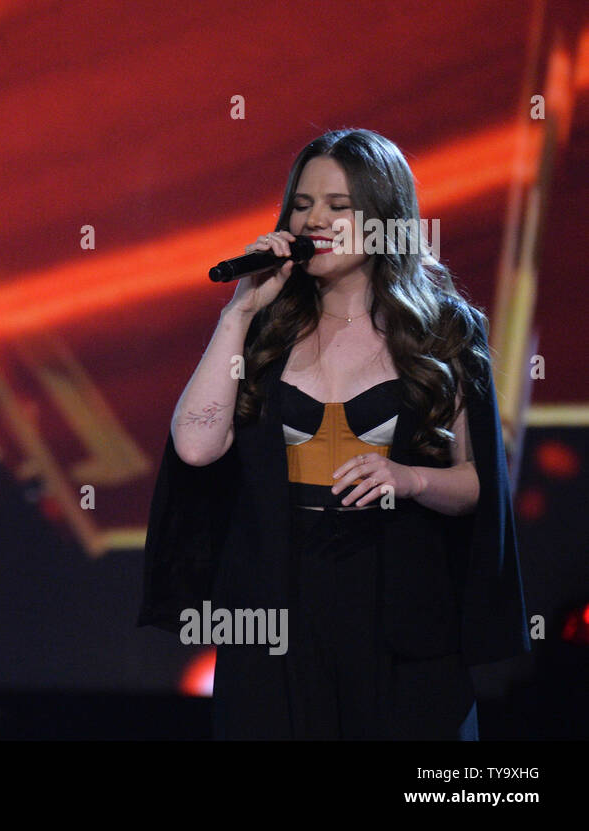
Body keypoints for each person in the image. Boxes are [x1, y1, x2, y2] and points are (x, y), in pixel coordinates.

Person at [139, 128, 530, 739]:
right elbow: (195, 445)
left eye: (338, 206)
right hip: (278, 620)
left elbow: (479, 485)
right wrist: (237, 313)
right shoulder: (264, 327)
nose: (313, 219)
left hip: (400, 623)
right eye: (302, 204)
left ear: (385, 218)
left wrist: (410, 477)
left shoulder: (444, 331)